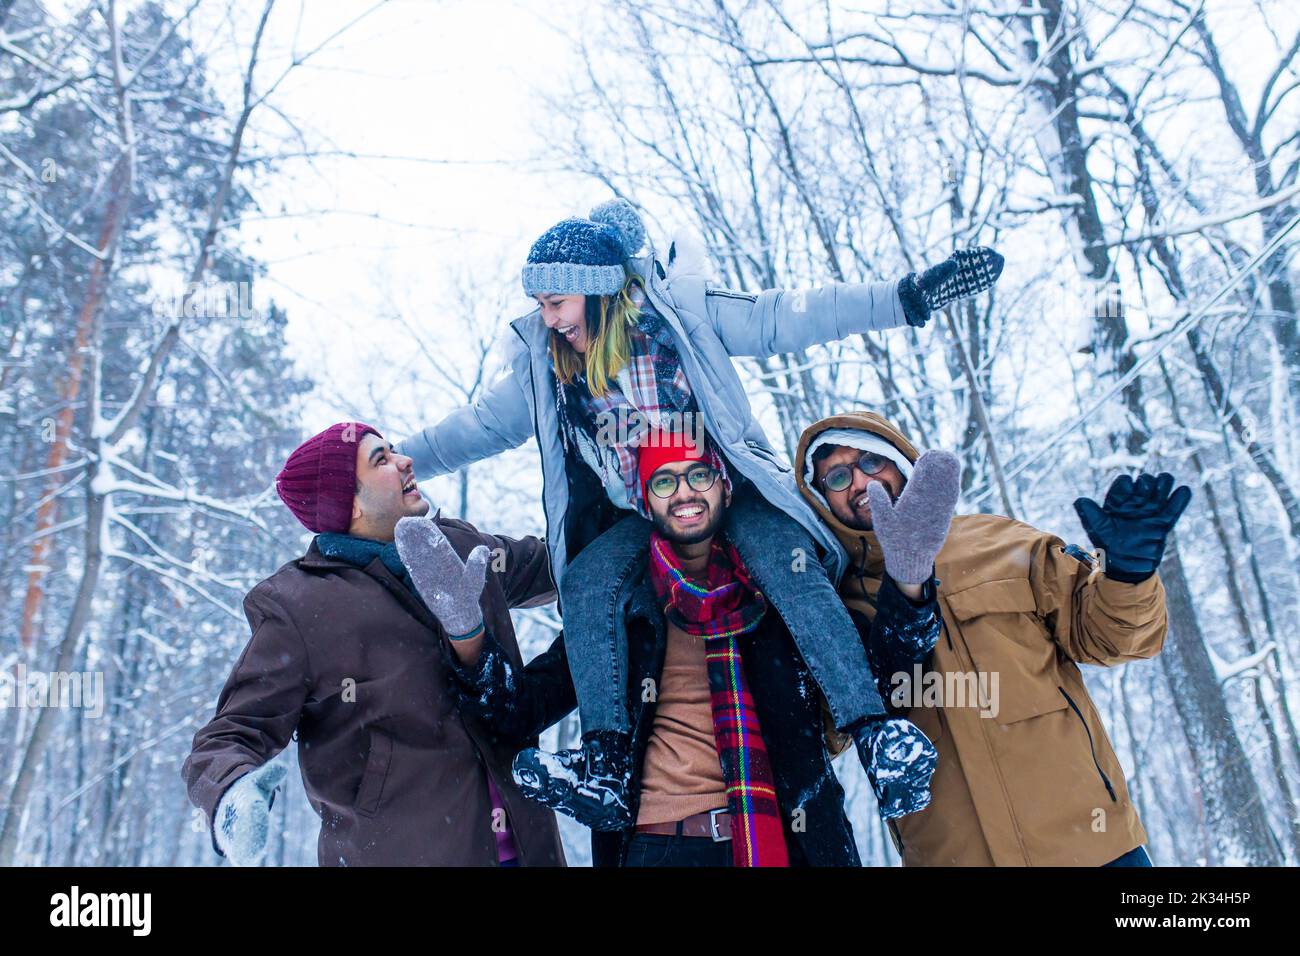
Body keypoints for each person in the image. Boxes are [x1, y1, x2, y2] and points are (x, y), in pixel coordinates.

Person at [398, 197, 1004, 824]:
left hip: (728, 490)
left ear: (603, 290)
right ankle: (607, 762)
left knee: (788, 565)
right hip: (642, 510)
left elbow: (786, 317)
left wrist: (905, 298)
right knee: (586, 581)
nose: (546, 318)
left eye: (556, 303)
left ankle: (875, 732)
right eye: (542, 305)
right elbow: (477, 429)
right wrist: (400, 460)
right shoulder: (548, 365)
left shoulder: (683, 317)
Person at [395, 428, 960, 865]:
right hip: (656, 848)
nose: (684, 492)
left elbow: (886, 676)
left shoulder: (784, 593)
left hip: (790, 839)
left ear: (724, 485)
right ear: (645, 500)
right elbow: (520, 713)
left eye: (698, 475)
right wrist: (467, 631)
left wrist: (909, 580)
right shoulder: (621, 614)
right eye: (664, 481)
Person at [794, 410, 1192, 867]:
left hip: (1091, 847)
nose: (859, 483)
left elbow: (1111, 640)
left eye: (870, 462)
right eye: (837, 477)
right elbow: (827, 730)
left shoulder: (1001, 542)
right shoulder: (833, 608)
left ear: (900, 462)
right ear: (822, 500)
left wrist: (1128, 574)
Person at [181, 422, 564, 866]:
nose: (405, 461)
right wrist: (232, 792)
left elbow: (558, 564)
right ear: (351, 504)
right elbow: (233, 731)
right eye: (381, 459)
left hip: (530, 850)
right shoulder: (300, 606)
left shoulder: (457, 548)